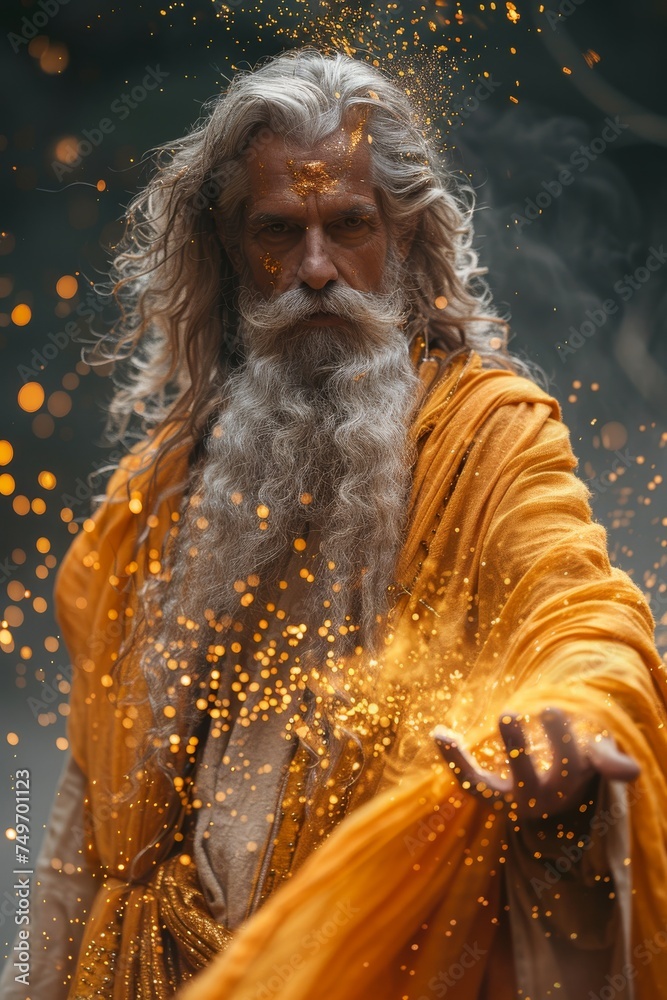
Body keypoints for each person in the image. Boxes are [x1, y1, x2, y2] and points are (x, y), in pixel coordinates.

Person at [2, 47, 667, 1000]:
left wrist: (573, 719)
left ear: (404, 241)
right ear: (228, 254)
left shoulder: (485, 438)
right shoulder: (156, 500)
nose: (316, 270)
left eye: (348, 225)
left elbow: (578, 610)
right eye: (278, 231)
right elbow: (80, 832)